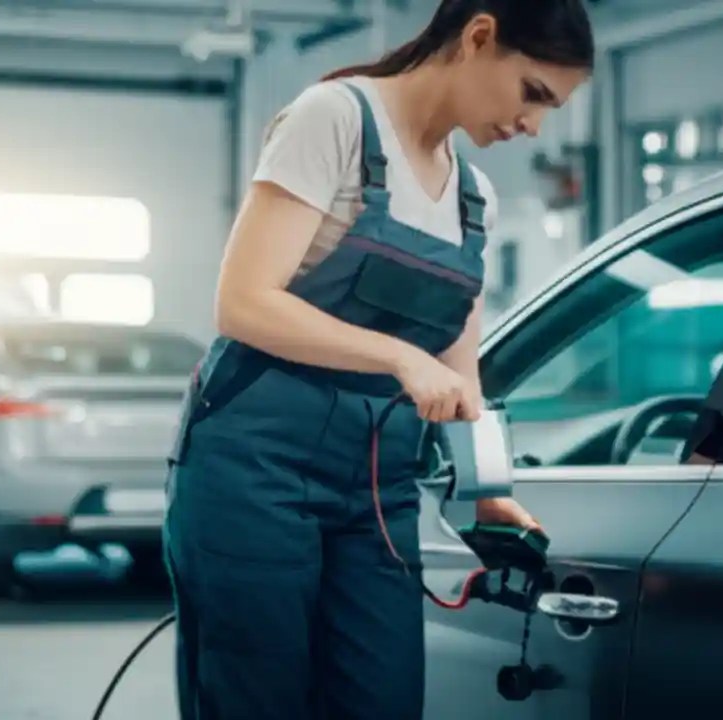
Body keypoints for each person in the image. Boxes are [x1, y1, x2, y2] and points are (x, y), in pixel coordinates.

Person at [162, 1, 594, 717]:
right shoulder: (333, 118)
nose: (533, 126)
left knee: (381, 698)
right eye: (532, 94)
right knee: (255, 700)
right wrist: (398, 357)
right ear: (478, 37)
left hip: (377, 487)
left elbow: (460, 370)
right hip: (253, 468)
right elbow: (243, 302)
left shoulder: (472, 197)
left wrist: (488, 489)